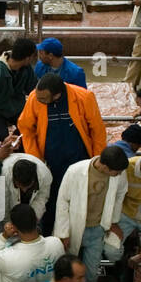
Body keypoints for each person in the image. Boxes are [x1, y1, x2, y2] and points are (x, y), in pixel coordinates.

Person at [17, 76, 106, 213]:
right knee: (51, 201)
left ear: (57, 95)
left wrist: (97, 161)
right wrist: (35, 160)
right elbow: (26, 127)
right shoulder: (36, 97)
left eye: (43, 99)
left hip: (79, 159)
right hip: (51, 162)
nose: (38, 100)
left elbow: (97, 131)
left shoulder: (84, 97)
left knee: (79, 199)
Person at [55, 146, 129, 282]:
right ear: (104, 166)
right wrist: (63, 233)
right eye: (117, 172)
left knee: (90, 273)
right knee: (69, 272)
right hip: (74, 229)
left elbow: (120, 194)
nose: (120, 175)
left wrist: (114, 221)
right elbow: (63, 201)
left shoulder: (118, 174)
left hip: (97, 230)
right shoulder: (75, 171)